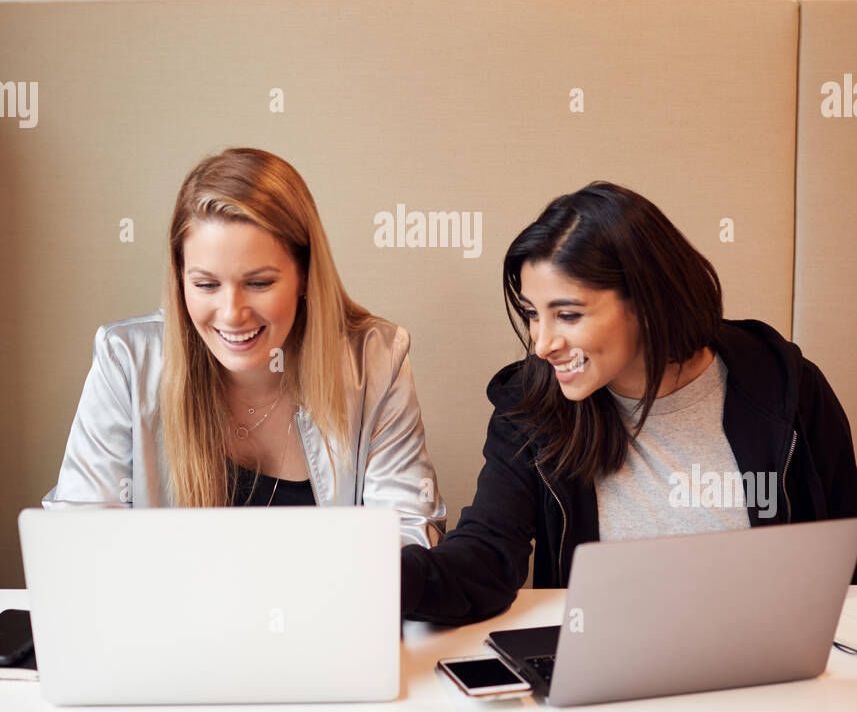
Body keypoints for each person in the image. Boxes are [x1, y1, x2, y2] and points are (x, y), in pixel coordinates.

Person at [401, 182, 857, 622]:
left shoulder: (786, 387)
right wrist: (388, 579)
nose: (541, 344)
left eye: (568, 315)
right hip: (605, 681)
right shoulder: (531, 407)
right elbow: (485, 559)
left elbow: (846, 554)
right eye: (531, 314)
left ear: (647, 300)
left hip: (775, 679)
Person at [44, 148, 445, 548]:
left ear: (305, 275)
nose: (232, 314)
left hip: (326, 612)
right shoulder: (126, 362)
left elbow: (408, 539)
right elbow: (81, 543)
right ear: (180, 277)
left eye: (259, 283)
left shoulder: (375, 359)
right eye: (205, 285)